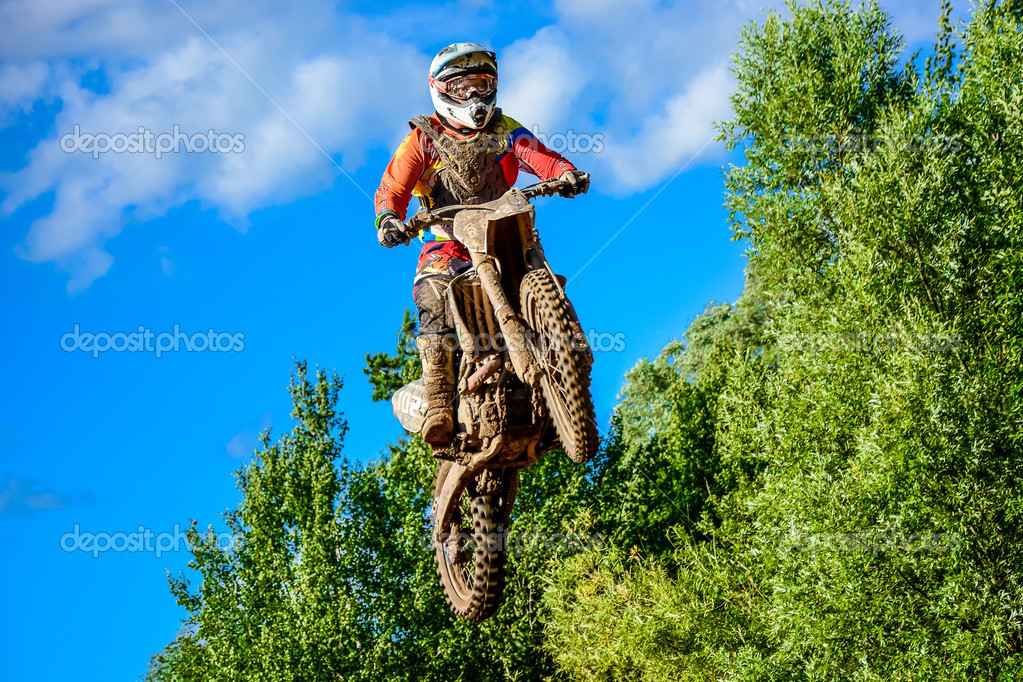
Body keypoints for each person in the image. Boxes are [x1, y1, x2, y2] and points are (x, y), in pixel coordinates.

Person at [374, 42, 589, 447]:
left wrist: (565, 173)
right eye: (462, 87)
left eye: (481, 84)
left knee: (543, 273)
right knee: (432, 295)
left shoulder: (505, 129)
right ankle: (439, 402)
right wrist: (389, 219)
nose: (474, 95)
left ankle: (571, 368)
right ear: (441, 90)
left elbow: (540, 156)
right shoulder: (423, 139)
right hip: (447, 245)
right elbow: (393, 186)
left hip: (503, 231)